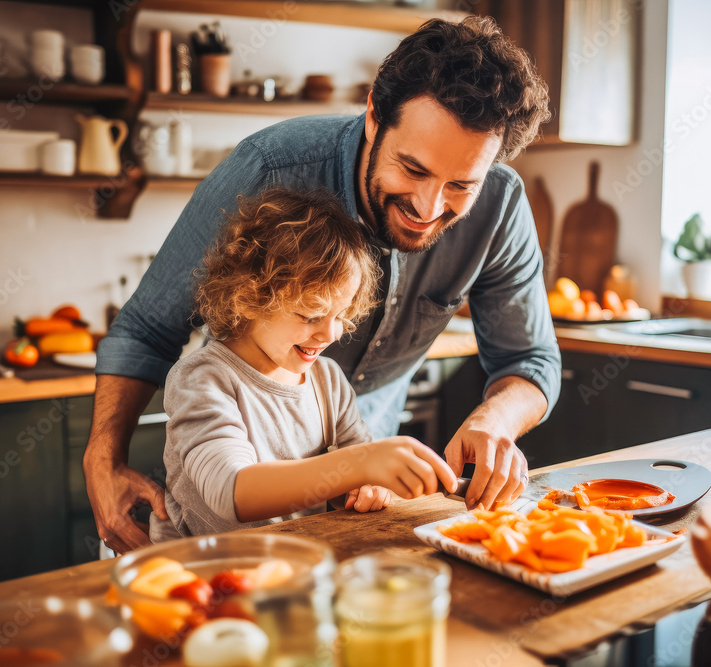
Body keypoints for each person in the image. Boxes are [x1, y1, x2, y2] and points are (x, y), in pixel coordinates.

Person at [86, 16, 562, 554]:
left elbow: (531, 361)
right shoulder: (267, 170)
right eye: (412, 169)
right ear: (374, 119)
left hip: (343, 492)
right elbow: (148, 329)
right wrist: (104, 460)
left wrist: (492, 424)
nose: (429, 209)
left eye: (460, 185)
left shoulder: (500, 204)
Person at [151, 188, 457, 541]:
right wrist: (362, 464)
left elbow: (351, 476)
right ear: (250, 297)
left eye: (341, 314)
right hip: (196, 572)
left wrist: (368, 486)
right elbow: (230, 491)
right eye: (311, 315)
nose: (331, 333)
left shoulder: (327, 381)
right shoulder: (203, 380)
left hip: (289, 566)